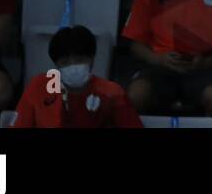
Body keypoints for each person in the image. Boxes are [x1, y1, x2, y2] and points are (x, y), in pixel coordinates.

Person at [12, 25, 142, 128]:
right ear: (56, 65)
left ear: (92, 59)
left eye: (79, 60)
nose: (73, 66)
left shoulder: (112, 93)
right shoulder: (38, 86)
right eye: (65, 62)